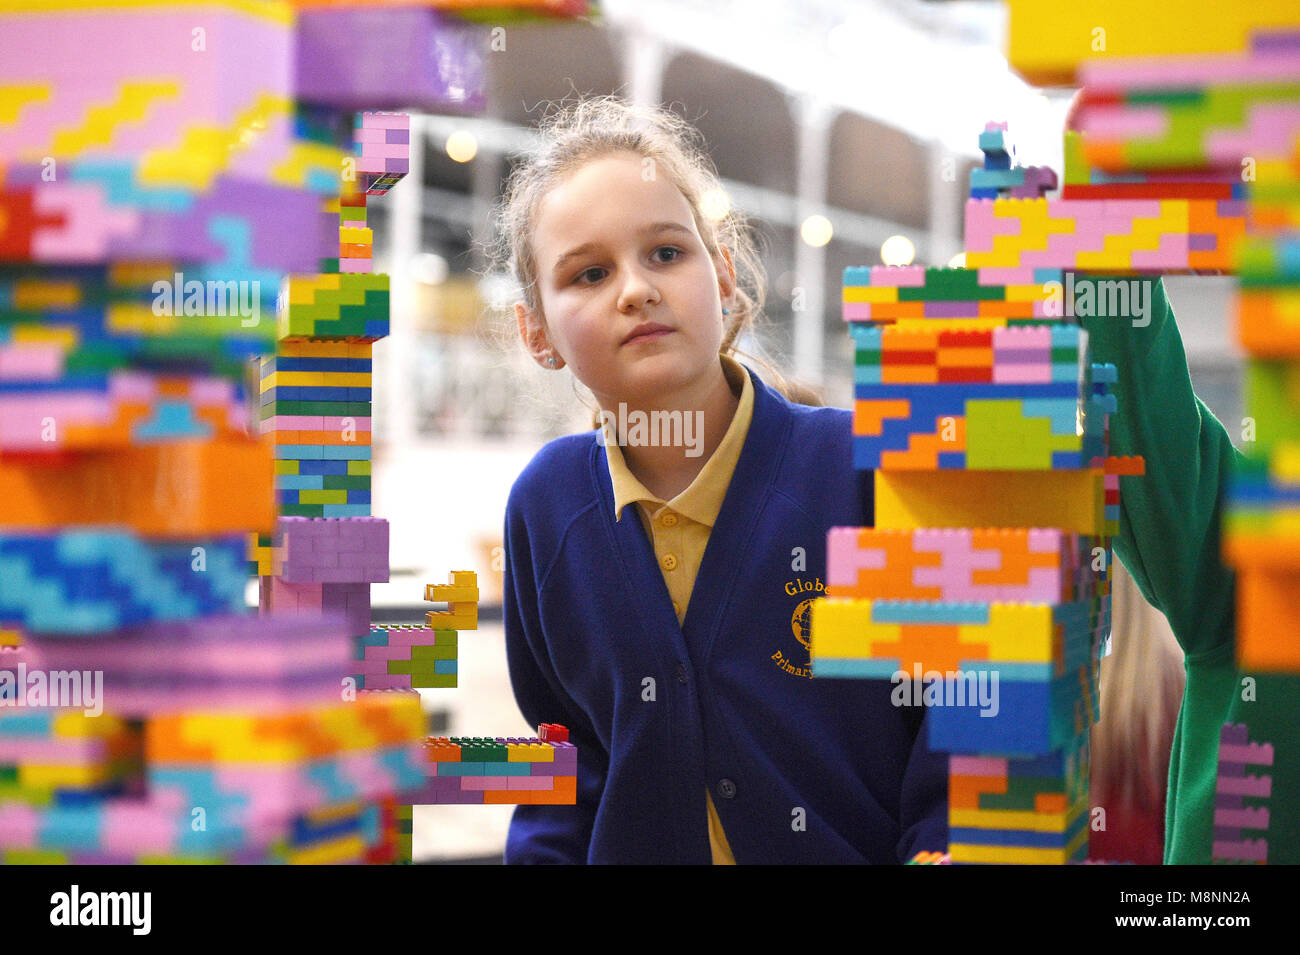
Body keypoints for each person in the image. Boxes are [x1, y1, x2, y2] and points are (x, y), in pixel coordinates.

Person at [494, 96, 948, 863]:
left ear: (725, 273)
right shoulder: (546, 509)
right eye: (590, 273)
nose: (635, 288)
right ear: (536, 332)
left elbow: (954, 723)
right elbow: (562, 766)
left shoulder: (865, 471)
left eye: (666, 253)